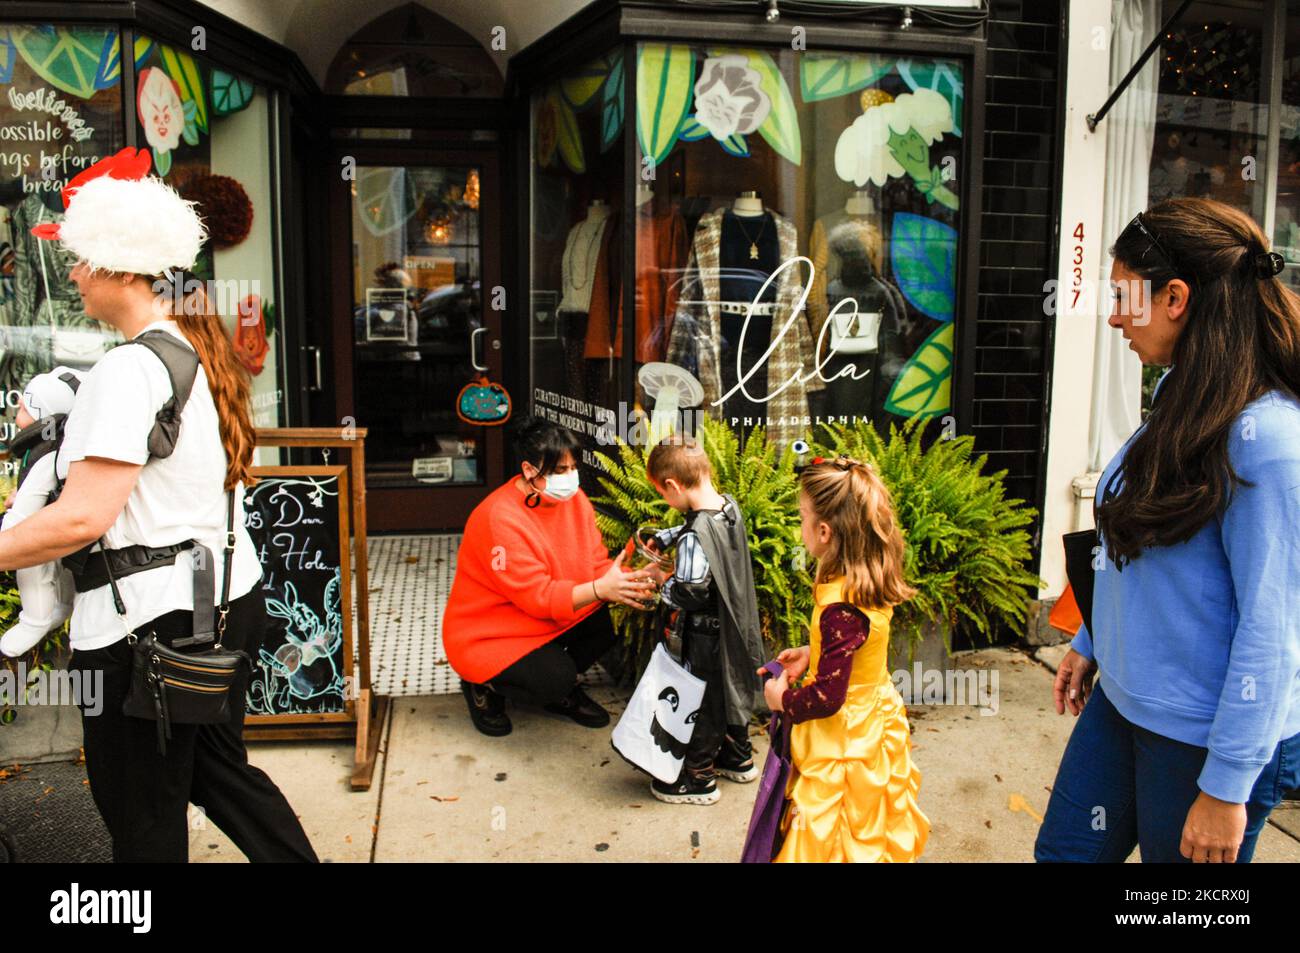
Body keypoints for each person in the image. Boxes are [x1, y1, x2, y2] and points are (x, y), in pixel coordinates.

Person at [0, 147, 316, 862]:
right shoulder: (190, 350)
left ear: (118, 265)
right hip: (223, 605)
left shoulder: (125, 367)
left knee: (141, 814)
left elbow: (82, 518)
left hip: (142, 632)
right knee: (215, 771)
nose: (74, 275)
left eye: (82, 259)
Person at [1036, 198, 1300, 863]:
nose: (1115, 314)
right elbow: (1148, 540)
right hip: (1121, 706)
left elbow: (1275, 631)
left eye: (1125, 294)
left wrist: (1226, 787)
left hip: (1202, 737)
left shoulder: (1268, 440)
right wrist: (1095, 637)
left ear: (1176, 296)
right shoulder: (1186, 391)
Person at [443, 417, 655, 736]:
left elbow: (595, 563)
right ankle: (482, 683)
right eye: (559, 471)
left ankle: (558, 687)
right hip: (491, 633)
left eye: (572, 468)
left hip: (545, 617)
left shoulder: (573, 500)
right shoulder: (499, 517)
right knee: (554, 677)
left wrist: (635, 577)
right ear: (529, 470)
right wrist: (601, 589)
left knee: (613, 621)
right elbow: (539, 598)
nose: (570, 478)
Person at [763, 454, 929, 862]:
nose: (798, 524)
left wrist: (781, 699)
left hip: (845, 734)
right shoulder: (862, 581)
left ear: (823, 531)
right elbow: (860, 646)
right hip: (874, 714)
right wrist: (812, 652)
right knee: (870, 820)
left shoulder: (841, 607)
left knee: (835, 825)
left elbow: (828, 697)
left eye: (801, 516)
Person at [642, 434, 764, 805]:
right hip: (735, 621)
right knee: (730, 687)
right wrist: (667, 536)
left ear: (673, 485)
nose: (667, 501)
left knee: (703, 701)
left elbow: (691, 591)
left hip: (705, 635)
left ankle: (698, 777)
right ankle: (737, 756)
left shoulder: (695, 535)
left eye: (665, 495)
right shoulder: (729, 507)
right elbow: (704, 527)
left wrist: (660, 581)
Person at [0, 366, 84, 657]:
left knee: (32, 567)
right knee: (60, 571)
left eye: (24, 408)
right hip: (55, 531)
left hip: (37, 532)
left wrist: (8, 529)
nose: (17, 413)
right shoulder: (46, 449)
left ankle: (34, 619)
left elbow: (25, 511)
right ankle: (60, 607)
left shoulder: (48, 456)